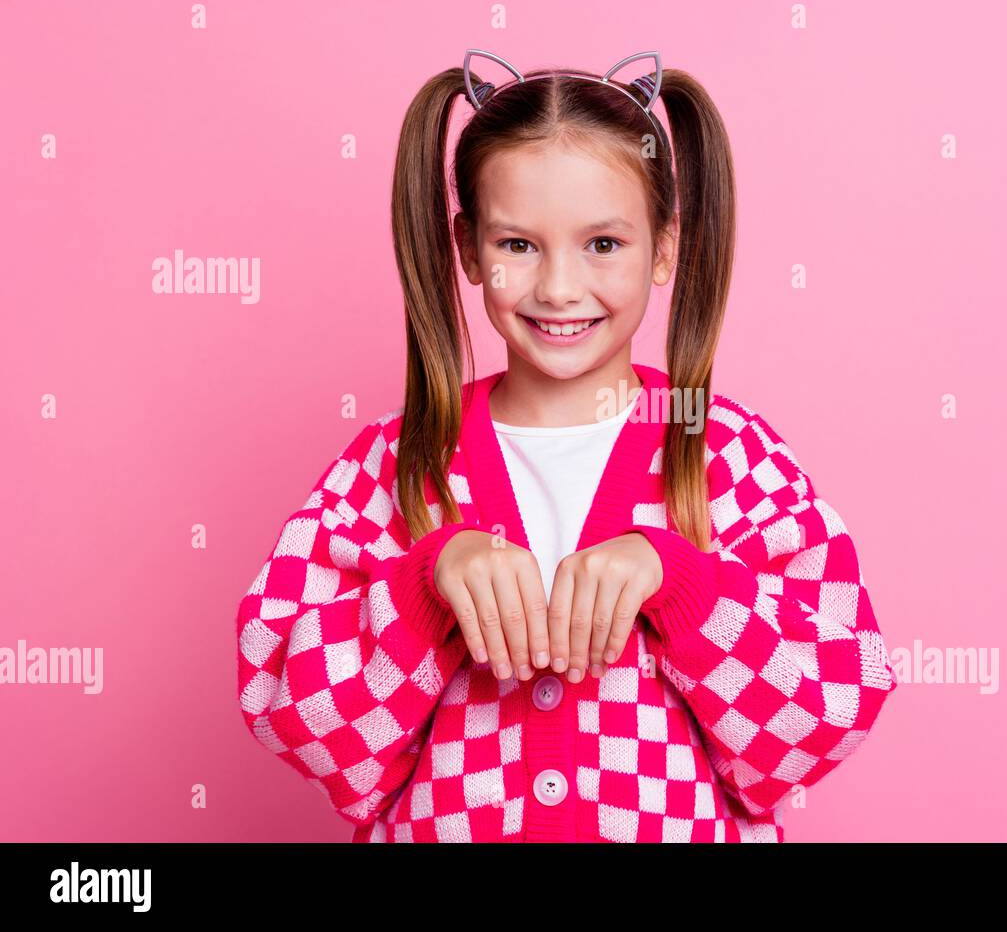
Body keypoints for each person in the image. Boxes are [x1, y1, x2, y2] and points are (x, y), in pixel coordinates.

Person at [235, 49, 898, 842]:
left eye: (603, 244)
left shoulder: (726, 456)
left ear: (663, 246)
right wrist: (421, 586)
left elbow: (828, 709)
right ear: (469, 248)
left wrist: (682, 583)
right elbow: (297, 722)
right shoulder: (395, 465)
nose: (557, 287)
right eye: (518, 244)